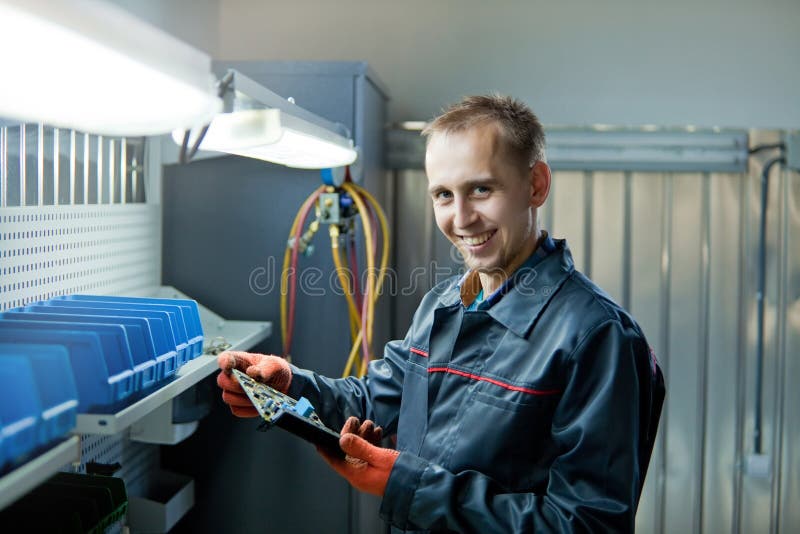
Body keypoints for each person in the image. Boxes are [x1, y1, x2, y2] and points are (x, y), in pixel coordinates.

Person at [216, 94, 666, 533]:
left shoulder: (597, 337)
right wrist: (290, 386)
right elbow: (377, 399)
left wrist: (409, 487)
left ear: (536, 185)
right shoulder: (444, 303)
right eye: (444, 195)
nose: (462, 218)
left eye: (481, 189)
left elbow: (588, 523)